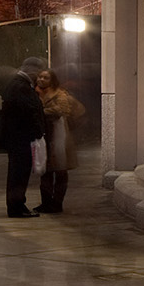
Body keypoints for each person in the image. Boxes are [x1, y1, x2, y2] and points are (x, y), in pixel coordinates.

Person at [0, 56, 48, 218]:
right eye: (38, 74)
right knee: (19, 173)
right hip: (20, 138)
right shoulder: (20, 86)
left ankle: (18, 205)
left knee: (18, 172)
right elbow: (27, 111)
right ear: (31, 71)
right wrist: (38, 130)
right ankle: (16, 207)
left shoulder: (18, 84)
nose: (38, 78)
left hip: (18, 137)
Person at [34, 67, 85, 214]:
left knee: (60, 170)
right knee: (46, 171)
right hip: (44, 135)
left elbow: (61, 110)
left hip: (58, 135)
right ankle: (45, 202)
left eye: (46, 77)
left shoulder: (60, 94)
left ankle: (57, 203)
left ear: (52, 80)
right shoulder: (35, 93)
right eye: (40, 77)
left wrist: (40, 111)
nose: (42, 80)